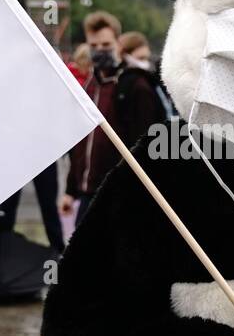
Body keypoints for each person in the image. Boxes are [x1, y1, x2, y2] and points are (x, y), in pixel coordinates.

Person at [60, 12, 161, 225]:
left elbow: (146, 143)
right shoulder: (90, 85)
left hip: (119, 193)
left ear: (118, 43)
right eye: (93, 45)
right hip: (87, 193)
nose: (99, 50)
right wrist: (70, 190)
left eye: (106, 44)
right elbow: (81, 141)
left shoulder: (133, 85)